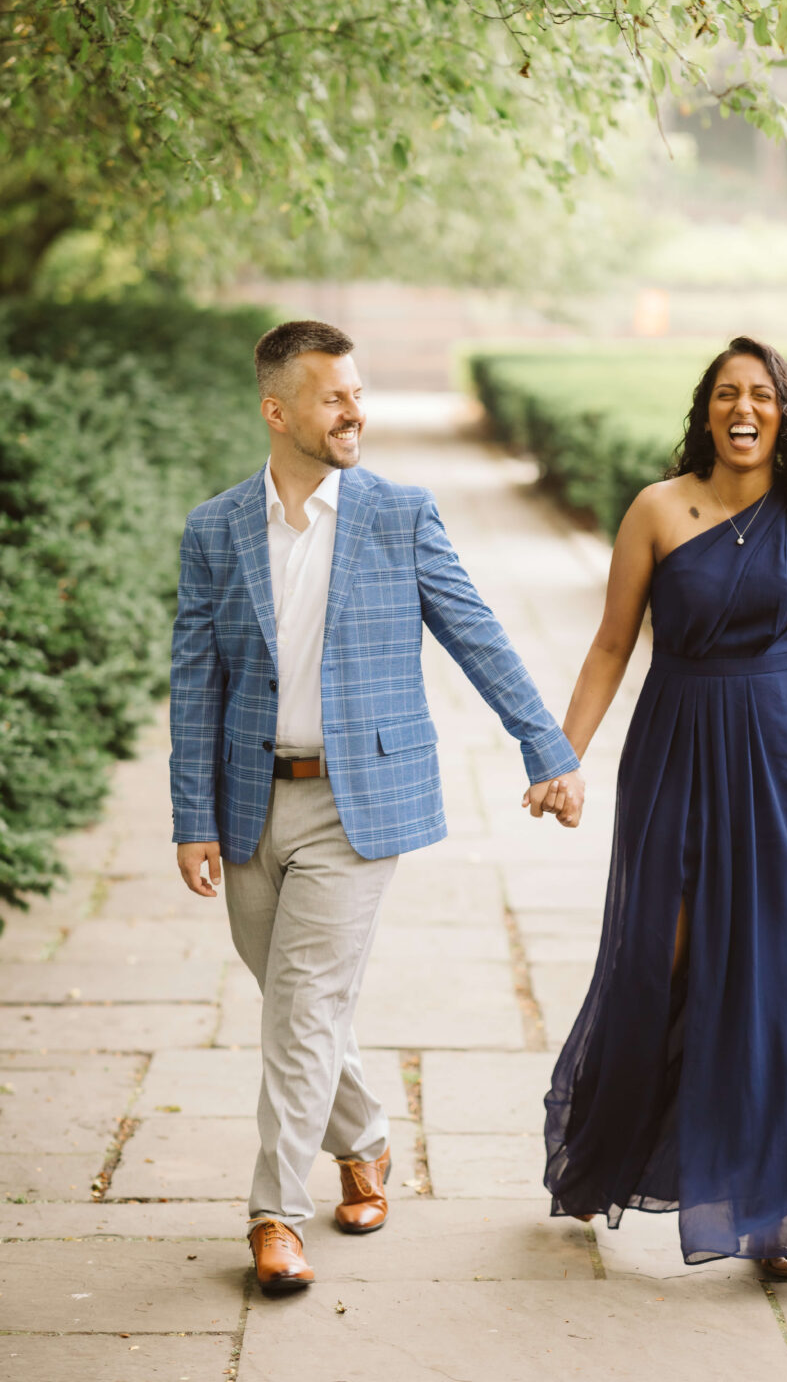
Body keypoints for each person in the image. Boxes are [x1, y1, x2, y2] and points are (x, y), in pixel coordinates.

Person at [170, 320, 584, 1295]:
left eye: (358, 392)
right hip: (247, 804)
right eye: (332, 396)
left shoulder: (400, 515)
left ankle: (275, 1216)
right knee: (291, 1002)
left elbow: (474, 630)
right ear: (278, 410)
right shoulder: (216, 527)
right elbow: (196, 677)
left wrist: (546, 746)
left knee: (303, 1008)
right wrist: (192, 815)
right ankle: (365, 1138)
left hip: (357, 806)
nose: (356, 410)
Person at [543, 335, 787, 1280]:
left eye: (763, 395)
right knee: (665, 959)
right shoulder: (657, 509)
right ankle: (605, 1155)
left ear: (786, 411)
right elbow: (613, 644)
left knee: (780, 979)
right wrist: (560, 754)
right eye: (728, 394)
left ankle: (778, 1209)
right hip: (677, 753)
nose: (745, 410)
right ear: (706, 410)